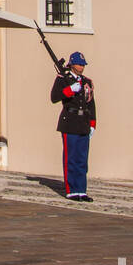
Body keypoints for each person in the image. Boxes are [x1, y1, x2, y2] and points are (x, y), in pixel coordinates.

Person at [50, 51, 96, 202]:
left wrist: (92, 123)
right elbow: (54, 97)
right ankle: (71, 191)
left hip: (83, 123)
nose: (82, 66)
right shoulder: (63, 79)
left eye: (83, 64)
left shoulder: (87, 81)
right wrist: (70, 90)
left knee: (82, 159)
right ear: (72, 64)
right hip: (69, 122)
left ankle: (81, 190)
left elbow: (91, 103)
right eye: (79, 64)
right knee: (71, 158)